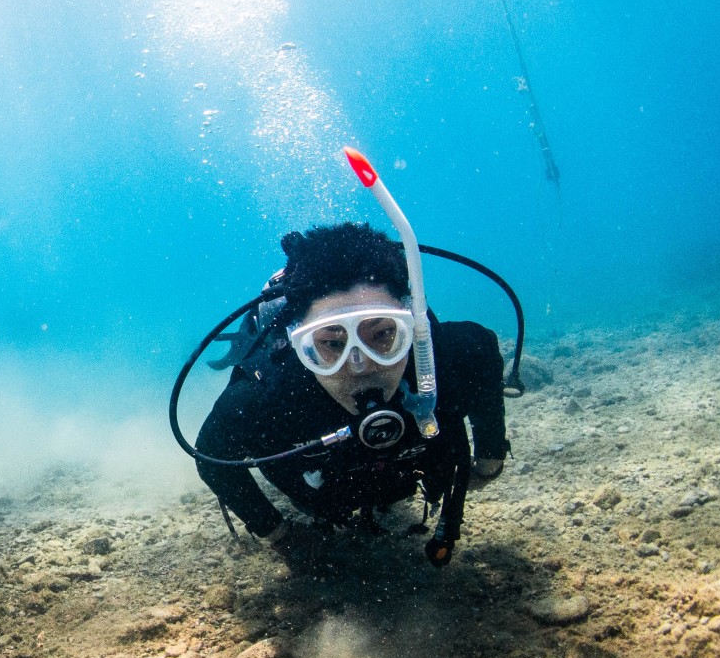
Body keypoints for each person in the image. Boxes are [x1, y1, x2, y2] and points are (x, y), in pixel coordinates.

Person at [195, 223, 507, 565]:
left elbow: (485, 361)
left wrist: (490, 460)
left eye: (383, 334)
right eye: (332, 344)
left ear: (412, 327)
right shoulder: (266, 398)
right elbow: (212, 458)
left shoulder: (454, 357)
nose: (361, 366)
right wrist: (280, 534)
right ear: (301, 344)